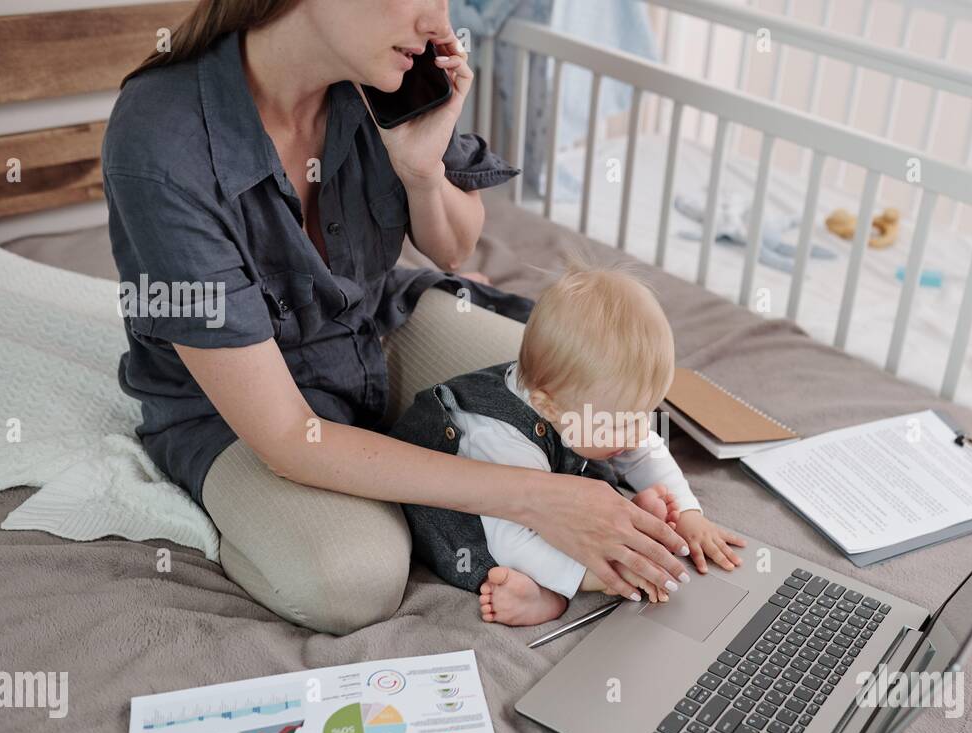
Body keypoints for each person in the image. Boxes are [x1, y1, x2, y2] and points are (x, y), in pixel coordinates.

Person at [103, 0, 689, 635]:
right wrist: (534, 496)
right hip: (246, 417)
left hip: (375, 326)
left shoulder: (382, 75)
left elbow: (455, 247)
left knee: (593, 389)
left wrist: (421, 172)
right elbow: (287, 436)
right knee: (351, 582)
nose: (441, 26)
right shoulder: (161, 139)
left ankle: (427, 463)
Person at [394, 260, 747, 626]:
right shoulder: (500, 441)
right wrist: (599, 575)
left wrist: (689, 514)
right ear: (548, 405)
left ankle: (631, 517)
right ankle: (544, 595)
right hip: (472, 515)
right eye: (619, 424)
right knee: (496, 551)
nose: (635, 432)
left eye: (642, 414)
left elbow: (646, 450)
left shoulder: (576, 402)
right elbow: (512, 542)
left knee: (589, 468)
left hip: (550, 464)